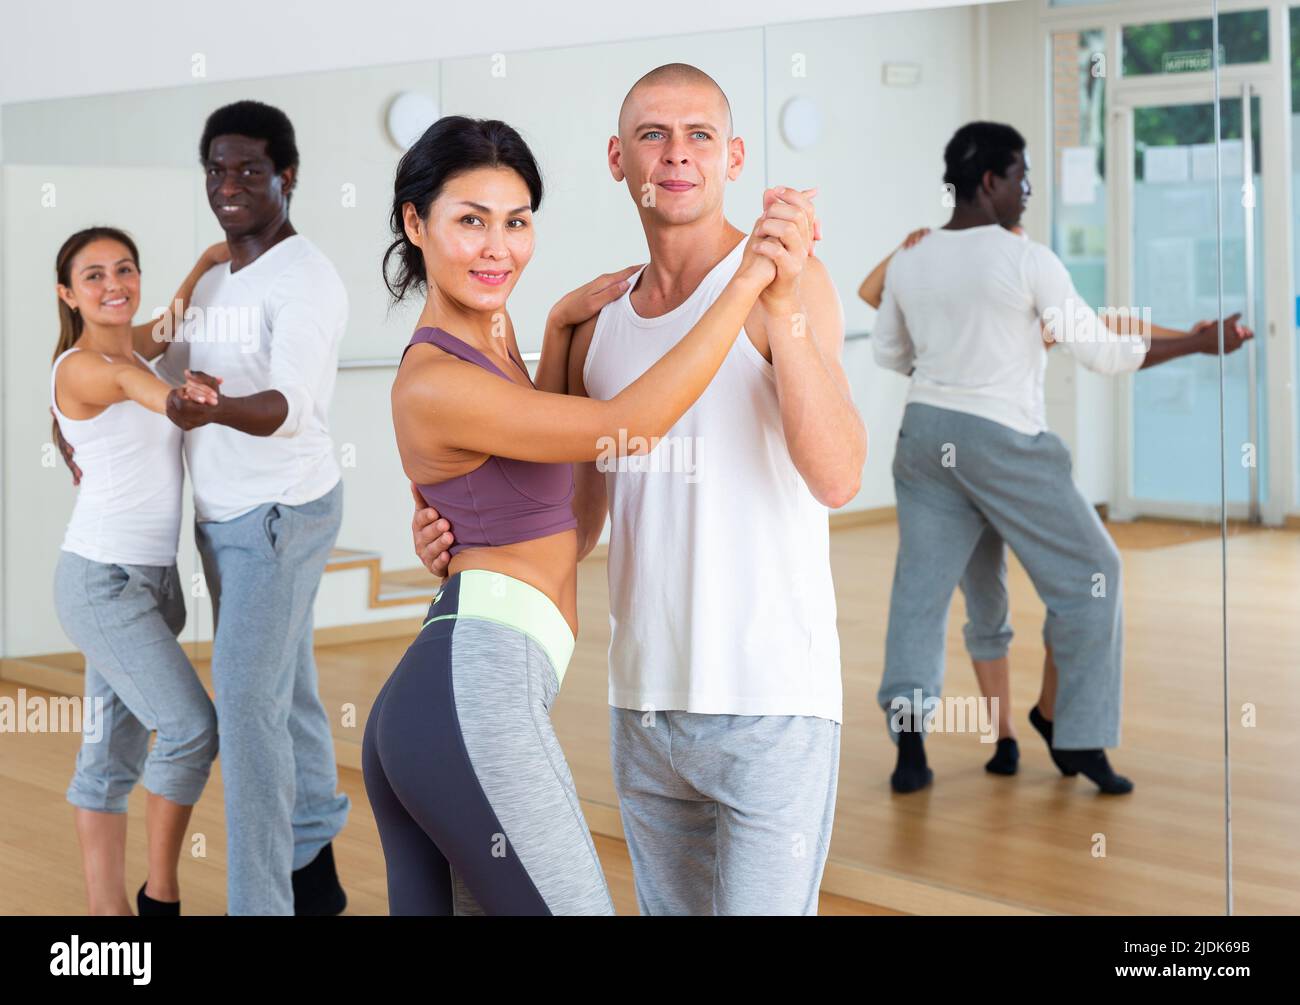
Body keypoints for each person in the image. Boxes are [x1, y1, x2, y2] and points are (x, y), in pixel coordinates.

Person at [412, 63, 867, 916]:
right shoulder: (599, 320)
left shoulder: (788, 286)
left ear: (732, 157)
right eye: (653, 136)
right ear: (619, 159)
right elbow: (573, 522)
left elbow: (839, 475)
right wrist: (461, 533)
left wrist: (786, 297)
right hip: (644, 708)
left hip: (771, 704)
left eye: (700, 135)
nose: (677, 155)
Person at [870, 121, 1252, 795]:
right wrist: (1198, 346)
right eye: (1020, 175)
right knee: (1093, 571)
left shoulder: (912, 257)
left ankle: (911, 747)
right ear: (989, 181)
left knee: (918, 594)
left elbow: (891, 356)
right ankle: (1071, 730)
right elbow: (1101, 349)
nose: (1028, 189)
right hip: (1003, 440)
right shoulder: (1026, 258)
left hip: (924, 439)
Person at [146, 100, 351, 915]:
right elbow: (158, 351)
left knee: (245, 706)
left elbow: (288, 406)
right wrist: (190, 276)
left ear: (286, 177)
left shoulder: (308, 278)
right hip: (224, 518)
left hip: (279, 514)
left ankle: (262, 904)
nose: (230, 186)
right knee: (286, 694)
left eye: (249, 171)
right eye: (217, 172)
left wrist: (210, 409)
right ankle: (316, 879)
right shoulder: (221, 276)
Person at [50, 226, 227, 915]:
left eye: (124, 269)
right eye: (93, 275)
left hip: (150, 585)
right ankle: (160, 896)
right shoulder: (81, 366)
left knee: (109, 760)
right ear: (68, 294)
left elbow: (162, 329)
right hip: (102, 583)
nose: (113, 283)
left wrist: (212, 259)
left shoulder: (137, 349)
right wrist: (183, 399)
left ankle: (108, 918)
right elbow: (131, 380)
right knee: (191, 728)